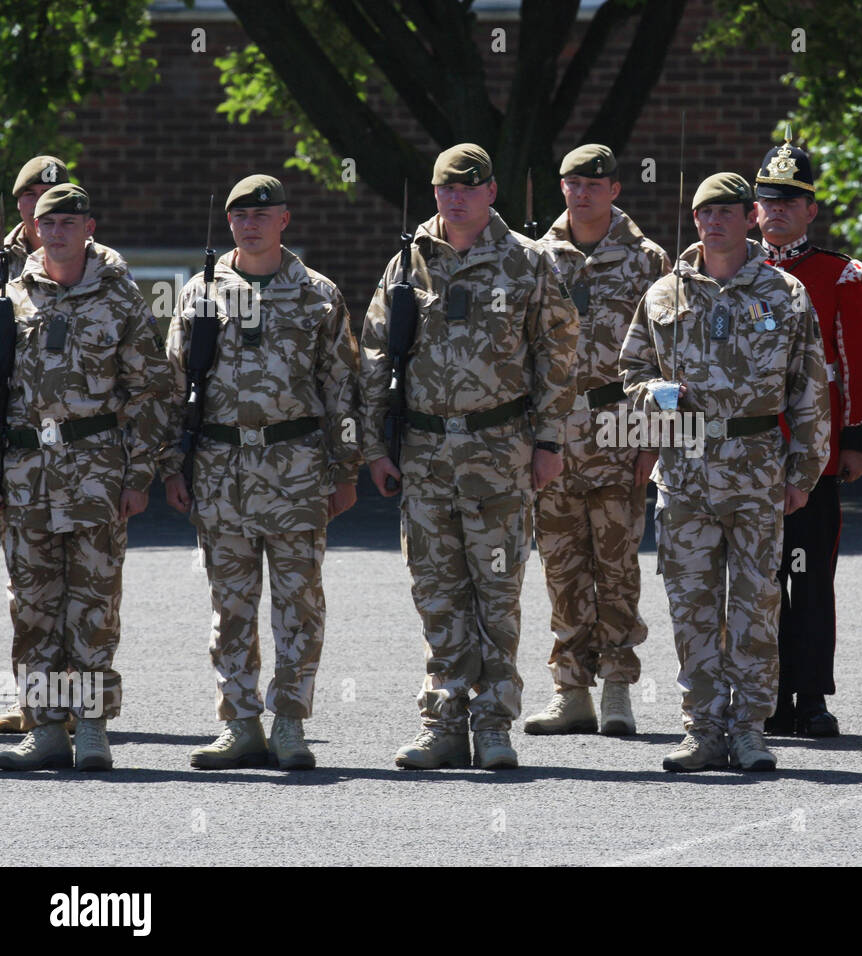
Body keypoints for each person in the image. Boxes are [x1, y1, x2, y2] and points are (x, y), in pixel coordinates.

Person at [361, 144, 577, 771]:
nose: (454, 198)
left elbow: (557, 354)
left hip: (500, 451)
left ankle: (494, 723)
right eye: (444, 189)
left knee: (497, 591)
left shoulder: (527, 262)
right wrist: (374, 445)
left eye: (468, 188)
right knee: (436, 592)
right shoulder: (406, 264)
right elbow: (375, 357)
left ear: (490, 193)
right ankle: (445, 721)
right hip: (425, 453)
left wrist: (549, 440)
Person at [619, 172, 830, 772]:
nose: (713, 222)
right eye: (703, 212)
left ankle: (750, 728)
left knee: (756, 603)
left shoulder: (785, 293)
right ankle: (702, 727)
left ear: (749, 219)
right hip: (684, 471)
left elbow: (809, 390)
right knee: (691, 605)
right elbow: (629, 371)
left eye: (726, 212)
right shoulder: (664, 295)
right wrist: (654, 393)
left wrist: (803, 473)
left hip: (757, 469)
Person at [159, 174, 361, 771]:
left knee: (299, 602)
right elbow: (174, 387)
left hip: (296, 467)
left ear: (284, 220)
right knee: (230, 606)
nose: (249, 223)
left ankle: (292, 723)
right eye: (239, 214)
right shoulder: (200, 293)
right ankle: (240, 724)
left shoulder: (318, 294)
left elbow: (343, 389)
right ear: (230, 224)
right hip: (220, 468)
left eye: (261, 213)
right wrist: (173, 465)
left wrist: (345, 467)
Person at [0, 184, 172, 771]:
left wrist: (140, 473)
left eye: (70, 222)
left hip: (97, 472)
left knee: (94, 606)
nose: (58, 232)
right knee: (33, 607)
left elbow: (150, 391)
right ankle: (46, 727)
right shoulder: (12, 297)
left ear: (88, 227)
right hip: (25, 475)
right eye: (49, 222)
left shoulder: (119, 298)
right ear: (36, 227)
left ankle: (92, 726)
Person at [523, 144, 669, 737]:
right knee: (561, 564)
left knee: (617, 563)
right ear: (562, 188)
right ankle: (570, 690)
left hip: (619, 425)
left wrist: (655, 439)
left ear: (614, 190)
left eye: (595, 182)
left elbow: (667, 358)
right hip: (554, 429)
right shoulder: (534, 257)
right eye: (572, 182)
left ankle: (617, 688)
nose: (582, 192)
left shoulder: (648, 259)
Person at [753, 136, 862, 738]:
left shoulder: (837, 274)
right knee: (755, 578)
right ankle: (763, 692)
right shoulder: (731, 269)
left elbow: (857, 360)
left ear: (811, 209)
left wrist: (857, 438)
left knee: (808, 575)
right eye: (767, 200)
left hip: (815, 454)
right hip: (744, 454)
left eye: (790, 201)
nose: (776, 211)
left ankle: (809, 694)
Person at [0, 155, 71, 736]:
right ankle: (26, 696)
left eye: (52, 194)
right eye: (32, 196)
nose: (40, 205)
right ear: (18, 201)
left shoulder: (81, 260)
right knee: (21, 583)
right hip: (9, 441)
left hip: (58, 456)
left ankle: (56, 707)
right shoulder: (1, 264)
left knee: (57, 580)